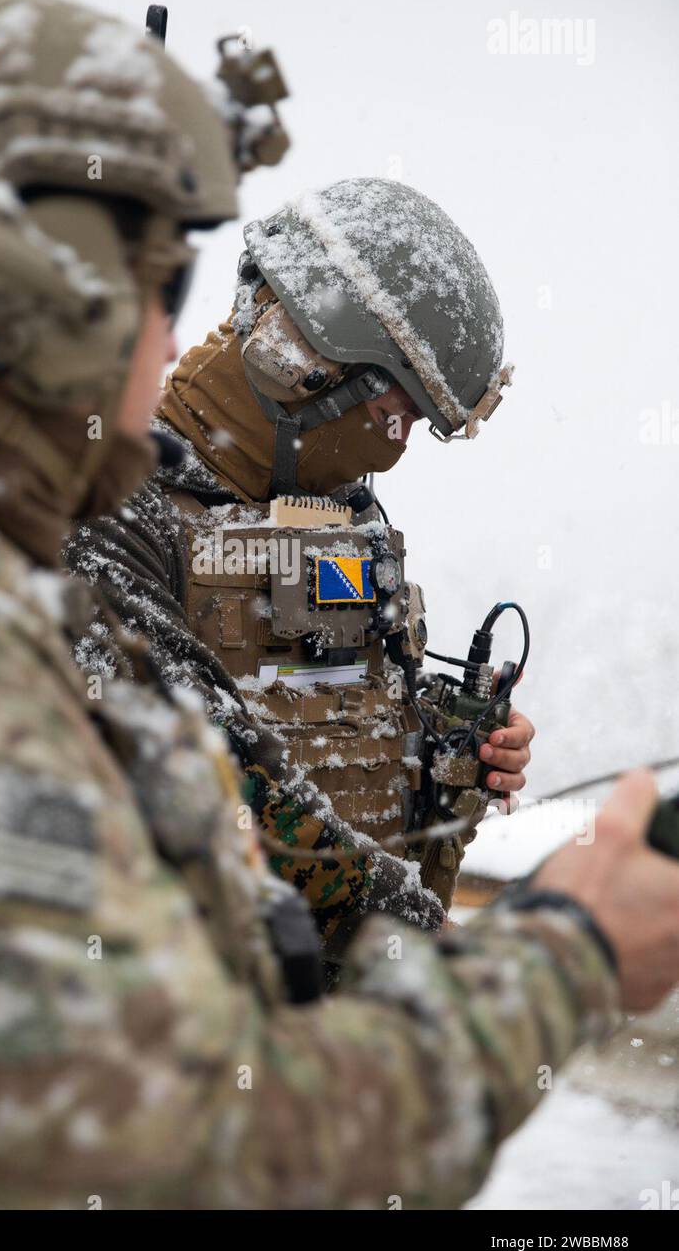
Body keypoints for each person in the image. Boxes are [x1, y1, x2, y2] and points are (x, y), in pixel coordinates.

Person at [0, 0, 677, 1213]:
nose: (170, 342)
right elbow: (179, 1151)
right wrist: (549, 953)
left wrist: (442, 763)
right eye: (154, 290)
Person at [67, 177, 535, 914]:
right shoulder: (109, 517)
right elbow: (204, 787)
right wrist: (403, 941)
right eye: (398, 414)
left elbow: (333, 733)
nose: (396, 449)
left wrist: (451, 755)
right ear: (303, 366)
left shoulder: (339, 518)